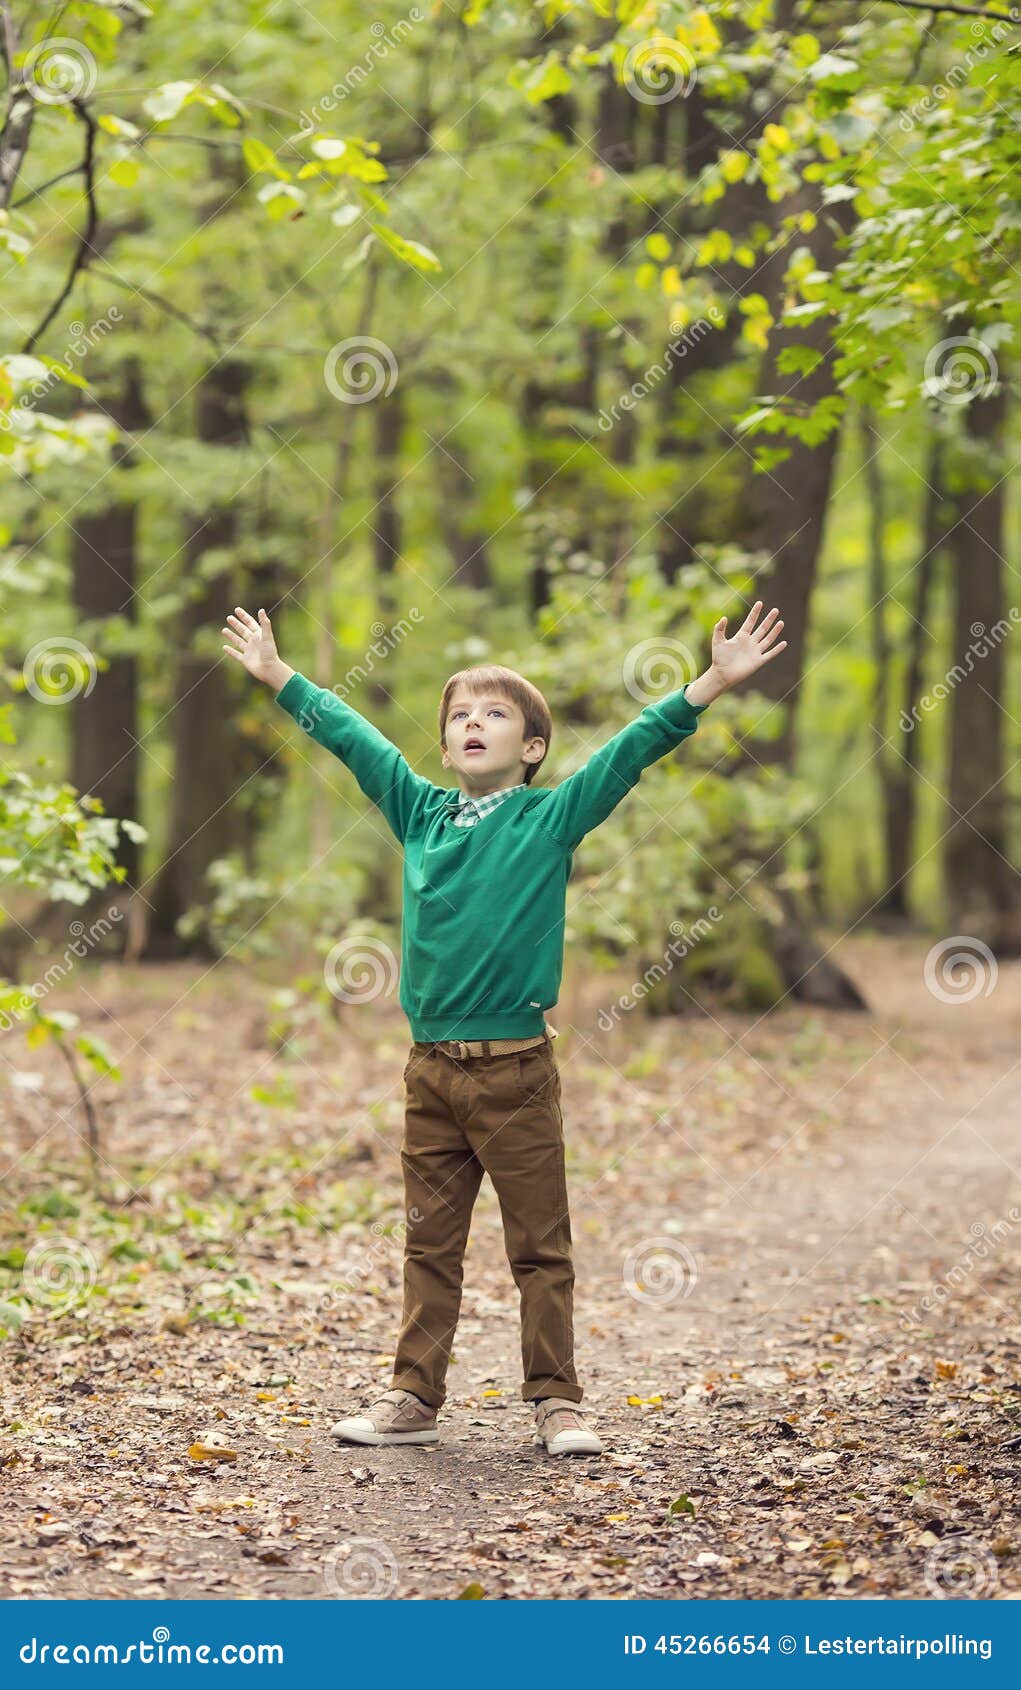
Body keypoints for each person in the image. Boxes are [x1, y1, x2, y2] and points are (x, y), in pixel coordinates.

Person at [221, 601, 786, 1455]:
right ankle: (412, 1396)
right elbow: (354, 738)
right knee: (428, 1245)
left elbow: (627, 751)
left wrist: (707, 685)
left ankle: (557, 1401)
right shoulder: (417, 814)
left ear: (530, 749)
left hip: (517, 1072)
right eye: (458, 716)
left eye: (493, 714)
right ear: (445, 747)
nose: (471, 723)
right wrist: (277, 675)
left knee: (539, 1249)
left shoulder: (546, 819)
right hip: (430, 1072)